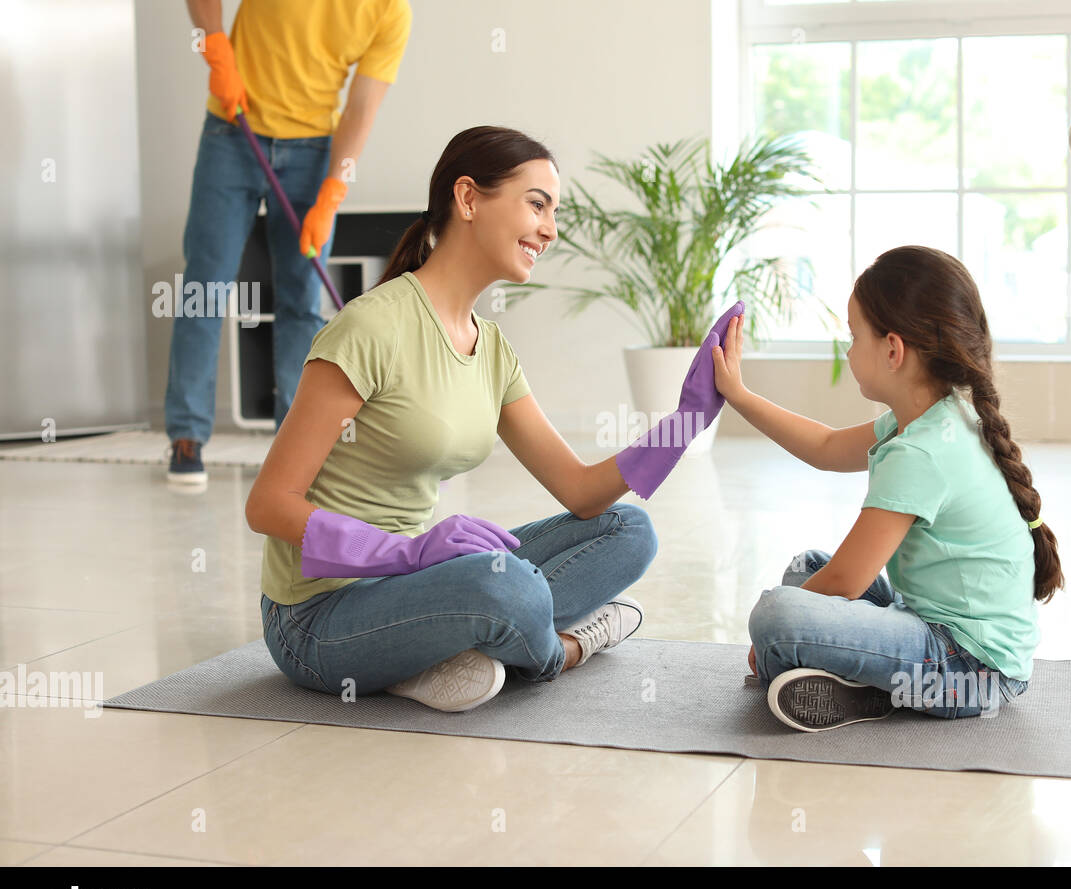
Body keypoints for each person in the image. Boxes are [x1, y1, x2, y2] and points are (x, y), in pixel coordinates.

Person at [245, 125, 736, 713]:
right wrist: (411, 552)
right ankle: (565, 647)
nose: (550, 230)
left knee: (628, 530)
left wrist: (686, 421)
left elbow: (580, 492)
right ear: (469, 198)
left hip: (418, 584)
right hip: (319, 617)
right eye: (537, 204)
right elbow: (269, 505)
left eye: (554, 212)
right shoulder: (372, 328)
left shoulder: (493, 349)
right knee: (499, 585)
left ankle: (452, 647)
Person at [711, 245, 1065, 732]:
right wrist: (739, 395)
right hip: (944, 635)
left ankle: (868, 690)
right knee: (808, 566)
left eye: (854, 337)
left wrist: (773, 630)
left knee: (778, 613)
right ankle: (846, 678)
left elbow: (845, 584)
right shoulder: (935, 417)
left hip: (969, 671)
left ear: (893, 350)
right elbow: (827, 446)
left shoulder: (921, 452)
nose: (849, 349)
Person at [166, 0, 412, 487]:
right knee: (205, 287)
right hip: (232, 131)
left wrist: (332, 193)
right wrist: (215, 45)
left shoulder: (389, 11)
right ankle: (187, 435)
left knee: (301, 299)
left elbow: (362, 107)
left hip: (314, 150)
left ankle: (294, 444)